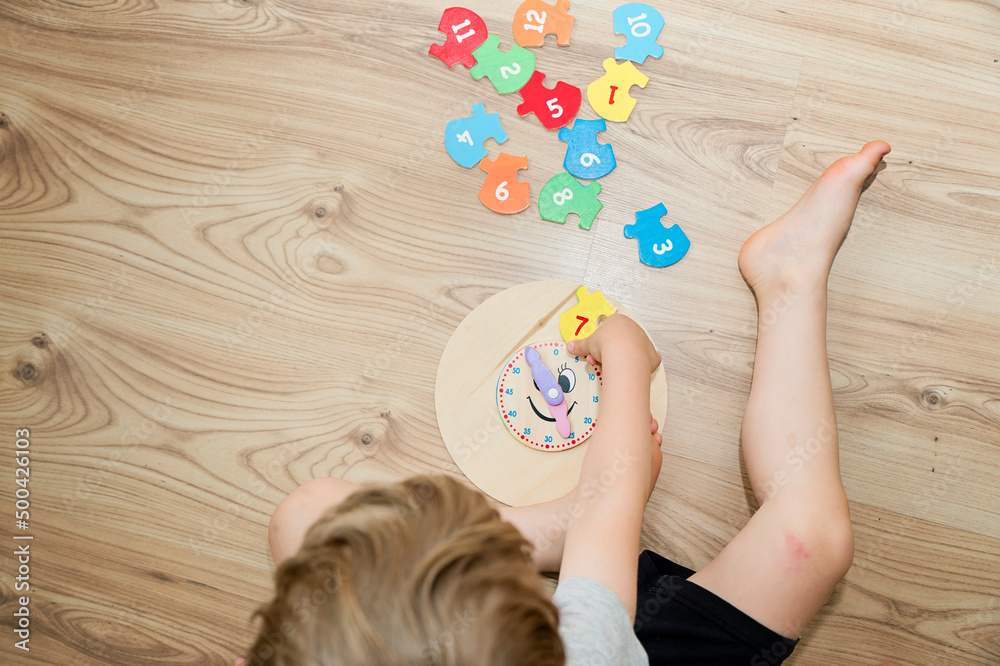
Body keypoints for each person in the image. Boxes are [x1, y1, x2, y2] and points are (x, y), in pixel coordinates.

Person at [241, 140, 892, 665]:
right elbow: (617, 491)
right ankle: (789, 273)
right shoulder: (587, 650)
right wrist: (627, 351)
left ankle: (552, 527)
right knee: (811, 540)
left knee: (307, 515)